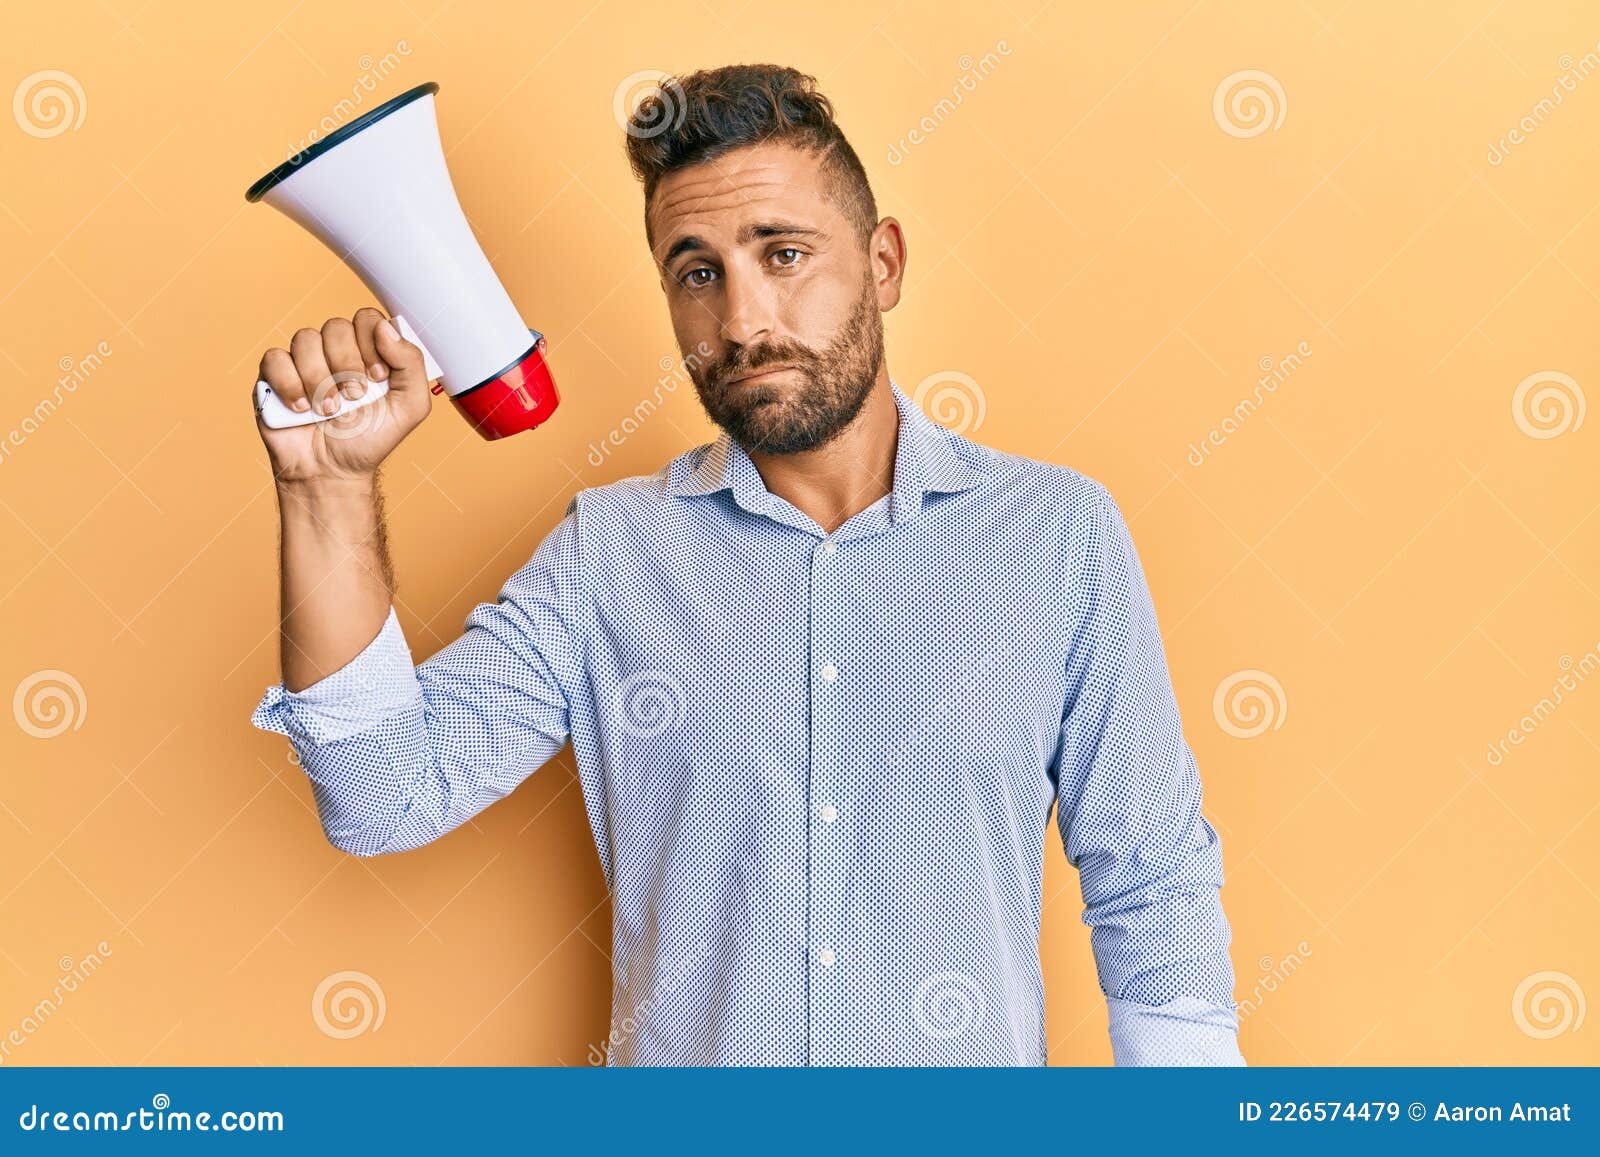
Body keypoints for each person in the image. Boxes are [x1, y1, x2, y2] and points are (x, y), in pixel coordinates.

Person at [249, 63, 1244, 1067]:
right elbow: (381, 795)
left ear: (884, 262)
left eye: (783, 253)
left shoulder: (1054, 535)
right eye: (696, 272)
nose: (743, 320)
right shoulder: (609, 553)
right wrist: (325, 487)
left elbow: (1149, 875)